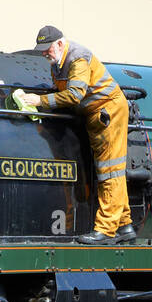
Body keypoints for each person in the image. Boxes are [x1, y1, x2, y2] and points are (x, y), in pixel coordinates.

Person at [21, 26, 135, 244]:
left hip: (107, 111)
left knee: (109, 170)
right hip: (93, 113)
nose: (45, 54)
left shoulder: (77, 59)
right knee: (110, 170)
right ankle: (124, 225)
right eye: (42, 50)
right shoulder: (59, 64)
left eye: (48, 49)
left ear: (60, 44)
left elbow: (74, 95)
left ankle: (106, 230)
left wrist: (40, 101)